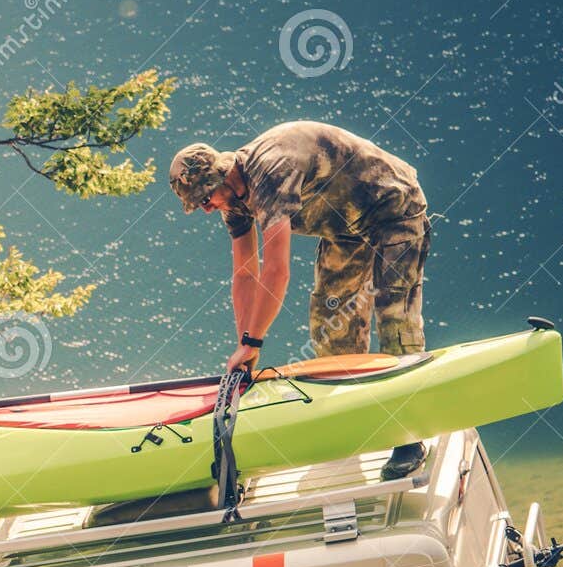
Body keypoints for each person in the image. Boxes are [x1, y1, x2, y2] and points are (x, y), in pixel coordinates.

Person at [169, 121, 432, 479]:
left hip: (392, 208)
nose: (205, 209)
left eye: (204, 198)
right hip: (345, 229)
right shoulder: (233, 201)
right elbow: (246, 274)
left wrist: (253, 339)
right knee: (330, 323)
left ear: (222, 178)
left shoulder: (271, 172)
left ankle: (409, 433)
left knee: (393, 312)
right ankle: (356, 419)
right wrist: (245, 347)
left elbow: (276, 270)